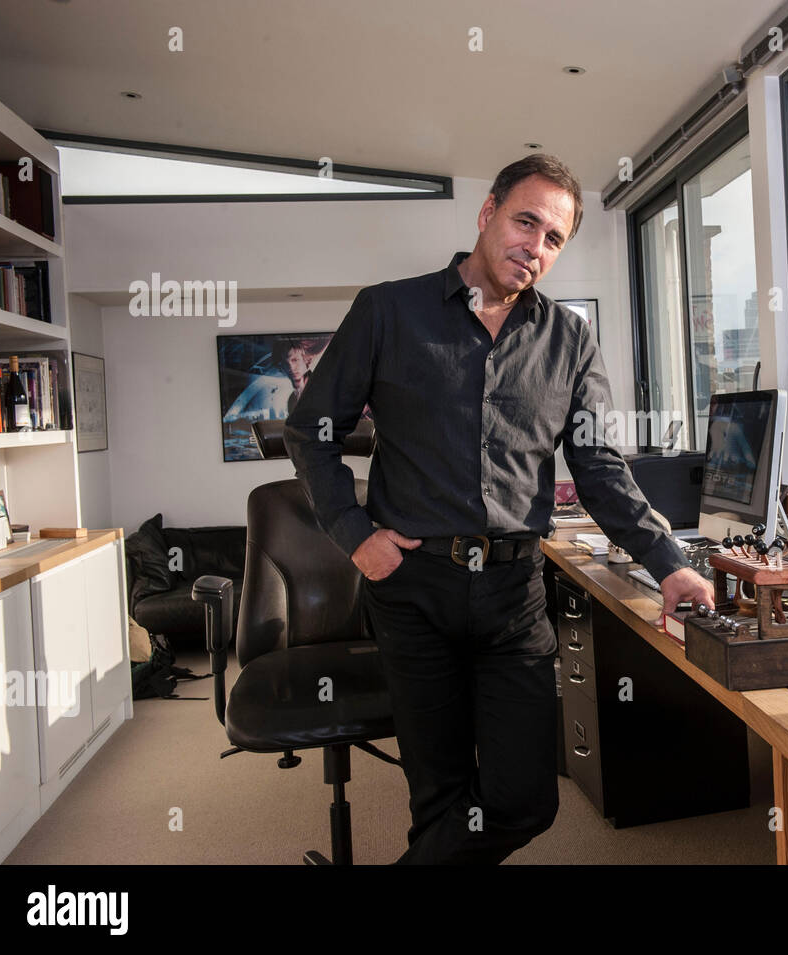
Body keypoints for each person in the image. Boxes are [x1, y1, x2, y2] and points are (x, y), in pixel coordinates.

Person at [283, 154, 714, 864]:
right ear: (487, 214)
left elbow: (600, 468)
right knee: (441, 794)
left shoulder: (569, 341)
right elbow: (310, 430)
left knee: (524, 798)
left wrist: (669, 562)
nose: (535, 247)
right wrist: (355, 534)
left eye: (554, 238)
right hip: (412, 589)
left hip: (515, 594)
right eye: (525, 222)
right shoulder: (388, 310)